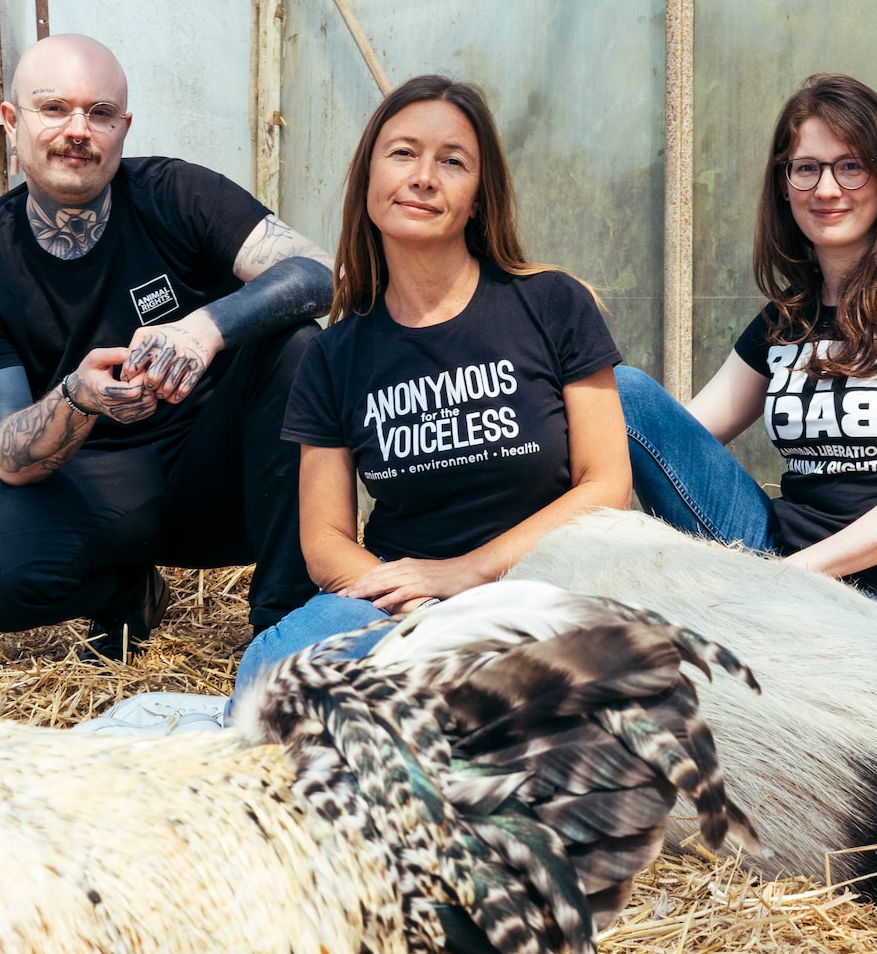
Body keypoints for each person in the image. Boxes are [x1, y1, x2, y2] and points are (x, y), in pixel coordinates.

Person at [0, 33, 334, 657]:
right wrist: (77, 398)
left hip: (227, 474)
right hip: (99, 487)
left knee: (297, 344)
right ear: (13, 124)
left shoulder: (178, 194)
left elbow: (320, 273)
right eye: (53, 108)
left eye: (99, 113)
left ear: (123, 127)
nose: (78, 130)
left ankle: (284, 629)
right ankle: (125, 593)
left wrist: (205, 328)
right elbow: (9, 457)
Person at [233, 74, 630, 691]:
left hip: (541, 585)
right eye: (403, 153)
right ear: (369, 178)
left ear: (477, 198)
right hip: (400, 607)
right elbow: (326, 539)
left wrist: (465, 576)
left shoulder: (551, 303)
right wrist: (416, 607)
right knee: (272, 667)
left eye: (452, 162)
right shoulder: (334, 355)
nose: (423, 176)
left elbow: (606, 486)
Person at [615, 73, 877, 622]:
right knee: (623, 396)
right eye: (806, 168)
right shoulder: (784, 319)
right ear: (784, 185)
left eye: (851, 165)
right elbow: (677, 437)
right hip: (770, 556)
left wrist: (787, 580)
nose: (827, 189)